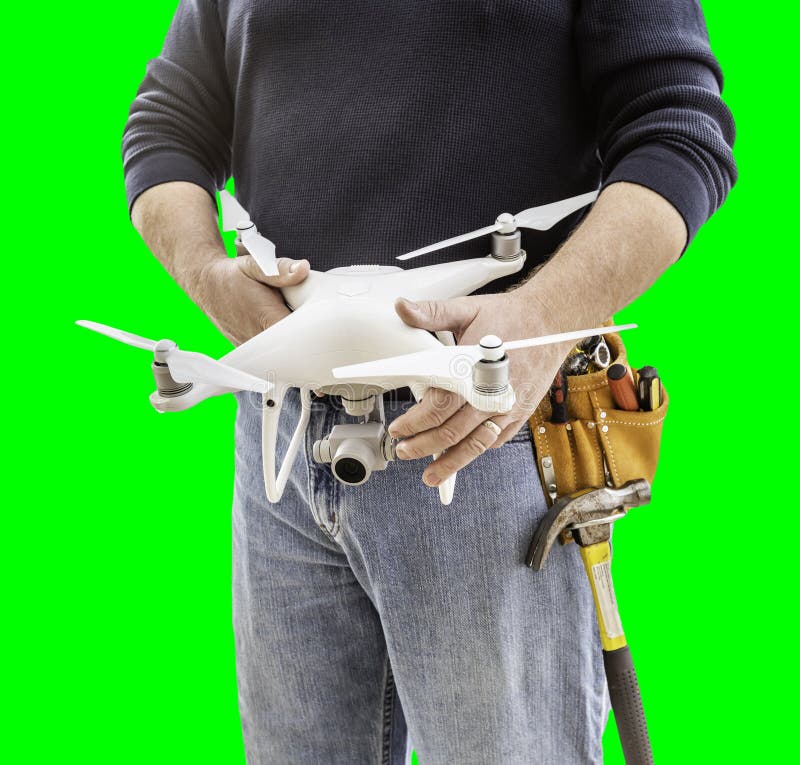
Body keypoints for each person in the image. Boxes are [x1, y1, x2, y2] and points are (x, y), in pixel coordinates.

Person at [122, 2, 736, 762]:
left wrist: (544, 315)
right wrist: (204, 272)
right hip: (279, 440)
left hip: (488, 429)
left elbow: (680, 135)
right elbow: (168, 125)